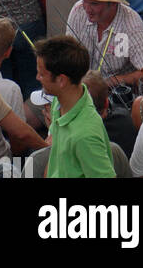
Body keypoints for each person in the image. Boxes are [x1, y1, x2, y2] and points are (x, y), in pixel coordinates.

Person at [34, 35, 116, 178]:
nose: (37, 78)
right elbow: (56, 156)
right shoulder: (58, 103)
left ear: (61, 80)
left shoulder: (85, 135)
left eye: (42, 74)